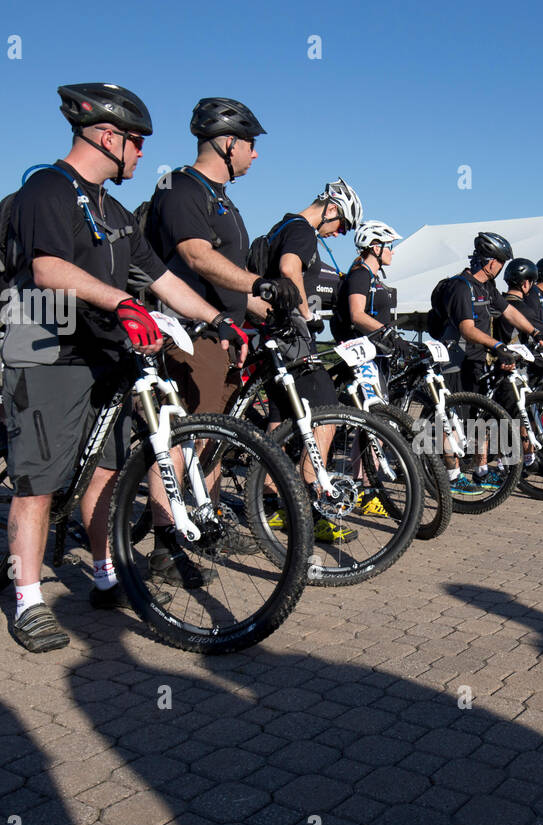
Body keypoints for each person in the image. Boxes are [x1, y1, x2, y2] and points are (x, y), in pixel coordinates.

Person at [3, 83, 245, 653]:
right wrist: (120, 302)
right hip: (49, 350)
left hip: (108, 355)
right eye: (137, 143)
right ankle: (28, 600)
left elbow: (160, 279)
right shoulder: (46, 188)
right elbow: (46, 268)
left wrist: (216, 321)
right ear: (107, 136)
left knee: (109, 471)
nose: (141, 154)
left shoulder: (115, 211)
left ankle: (106, 572)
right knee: (38, 484)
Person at [143, 97, 294, 584]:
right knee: (176, 441)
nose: (256, 153)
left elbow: (233, 280)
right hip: (188, 335)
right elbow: (195, 254)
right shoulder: (181, 187)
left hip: (224, 338)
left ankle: (205, 521)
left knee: (213, 438)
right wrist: (257, 284)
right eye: (251, 143)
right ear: (228, 142)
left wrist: (273, 312)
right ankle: (165, 543)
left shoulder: (224, 200)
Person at [259, 177, 366, 541]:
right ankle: (308, 506)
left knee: (279, 417)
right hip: (291, 336)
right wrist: (308, 314)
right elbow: (290, 269)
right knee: (324, 411)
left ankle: (271, 505)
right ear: (331, 209)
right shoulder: (303, 229)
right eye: (341, 226)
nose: (338, 234)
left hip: (271, 336)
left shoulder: (281, 226)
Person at [428, 232, 543, 489]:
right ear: (491, 262)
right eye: (500, 262)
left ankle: (481, 472)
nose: (500, 268)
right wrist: (498, 345)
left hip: (476, 362)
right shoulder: (460, 287)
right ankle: (452, 477)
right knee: (452, 421)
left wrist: (536, 332)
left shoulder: (486, 287)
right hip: (455, 362)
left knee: (479, 420)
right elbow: (467, 328)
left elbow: (508, 311)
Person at [332, 220, 402, 344]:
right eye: (390, 246)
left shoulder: (371, 277)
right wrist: (391, 335)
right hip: (365, 352)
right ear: (376, 249)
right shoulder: (360, 275)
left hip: (379, 350)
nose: (393, 252)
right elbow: (357, 315)